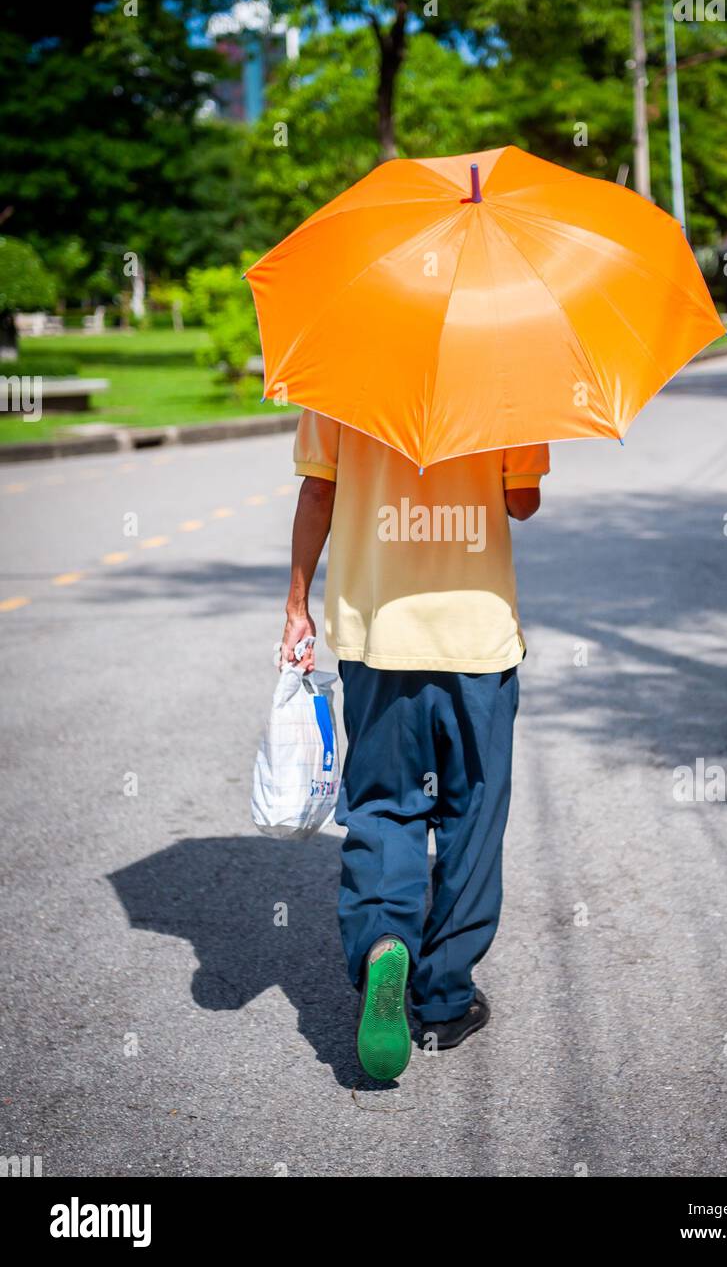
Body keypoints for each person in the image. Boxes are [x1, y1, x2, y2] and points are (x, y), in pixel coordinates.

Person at [280, 410, 548, 1081]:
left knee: (382, 806)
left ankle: (383, 941)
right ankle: (445, 999)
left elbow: (318, 493)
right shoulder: (508, 378)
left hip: (377, 638)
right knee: (472, 819)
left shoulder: (339, 378)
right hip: (476, 644)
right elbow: (522, 502)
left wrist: (296, 603)